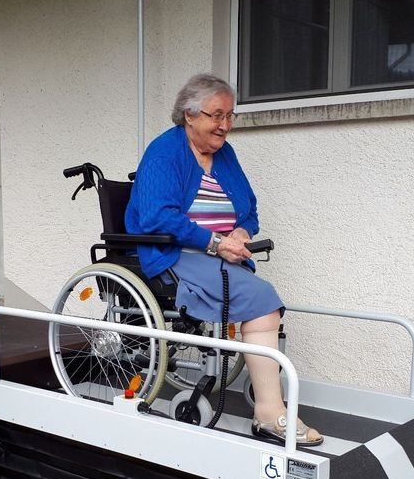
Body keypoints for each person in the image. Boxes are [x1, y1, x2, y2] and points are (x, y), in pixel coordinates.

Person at [125, 73, 323, 447]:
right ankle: (269, 413)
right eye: (216, 115)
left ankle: (270, 402)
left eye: (230, 116)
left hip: (217, 256)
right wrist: (215, 242)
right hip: (174, 254)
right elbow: (156, 217)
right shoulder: (164, 153)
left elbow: (248, 207)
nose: (225, 125)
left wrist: (242, 233)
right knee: (264, 301)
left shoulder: (224, 155)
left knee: (260, 300)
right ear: (190, 115)